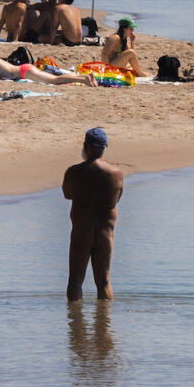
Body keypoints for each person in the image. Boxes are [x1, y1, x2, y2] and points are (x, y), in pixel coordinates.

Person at [60, 127, 123, 302]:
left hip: (82, 232)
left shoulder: (74, 172)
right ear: (105, 146)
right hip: (105, 233)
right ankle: (104, 326)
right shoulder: (116, 174)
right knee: (103, 282)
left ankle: (75, 327)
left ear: (85, 146)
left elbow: (67, 194)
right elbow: (116, 199)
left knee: (75, 281)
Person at [0, 43, 91, 85]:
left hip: (23, 72)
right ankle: (83, 78)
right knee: (54, 79)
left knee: (54, 80)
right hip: (24, 70)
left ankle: (83, 79)